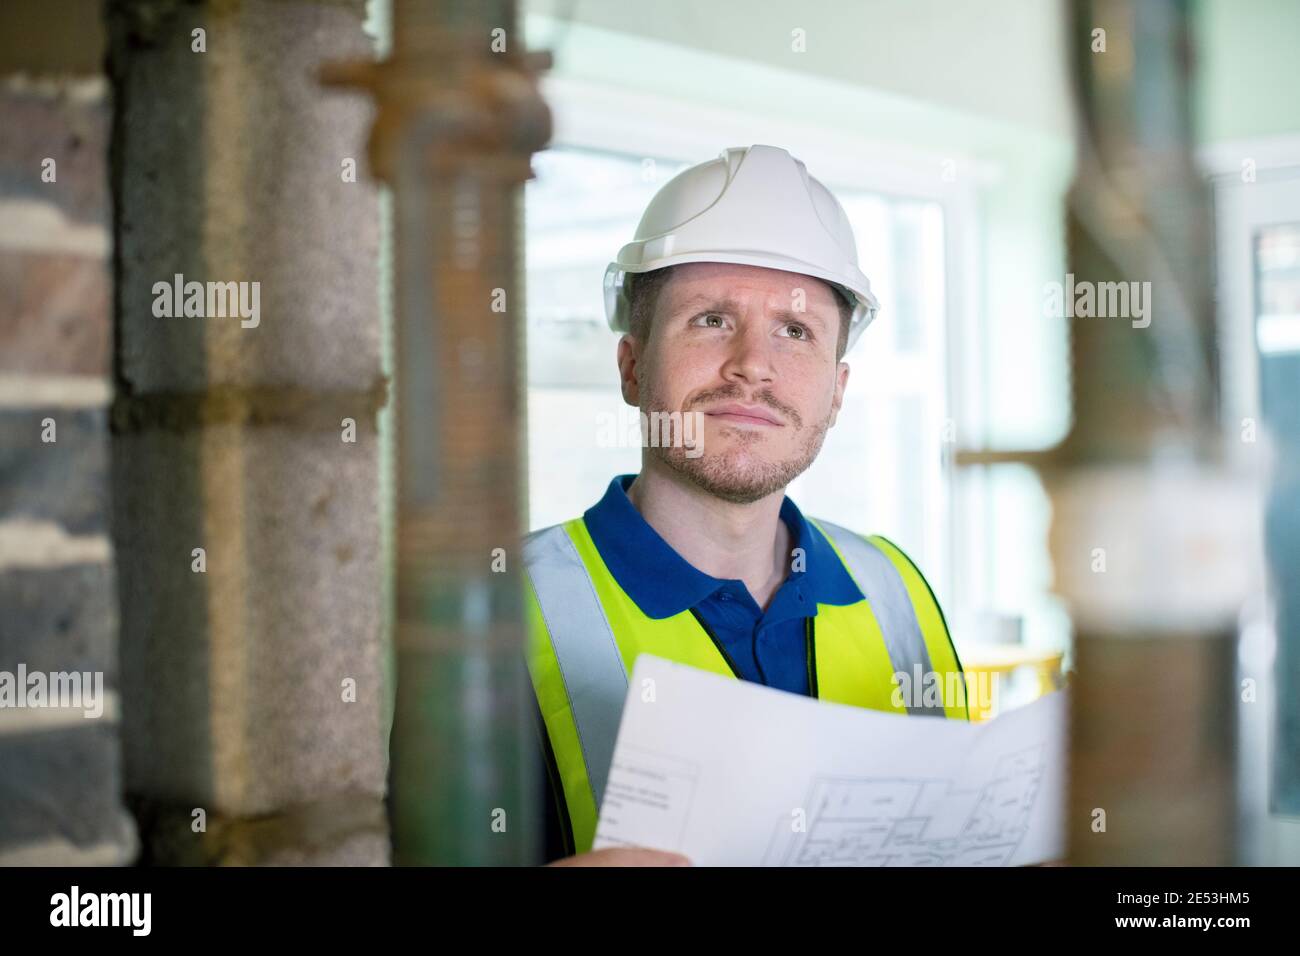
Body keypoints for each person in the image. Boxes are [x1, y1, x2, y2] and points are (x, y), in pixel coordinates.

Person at [524, 145, 968, 866]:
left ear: (837, 391)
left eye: (795, 331)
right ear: (632, 366)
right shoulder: (492, 611)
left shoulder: (896, 589)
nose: (753, 365)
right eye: (710, 320)